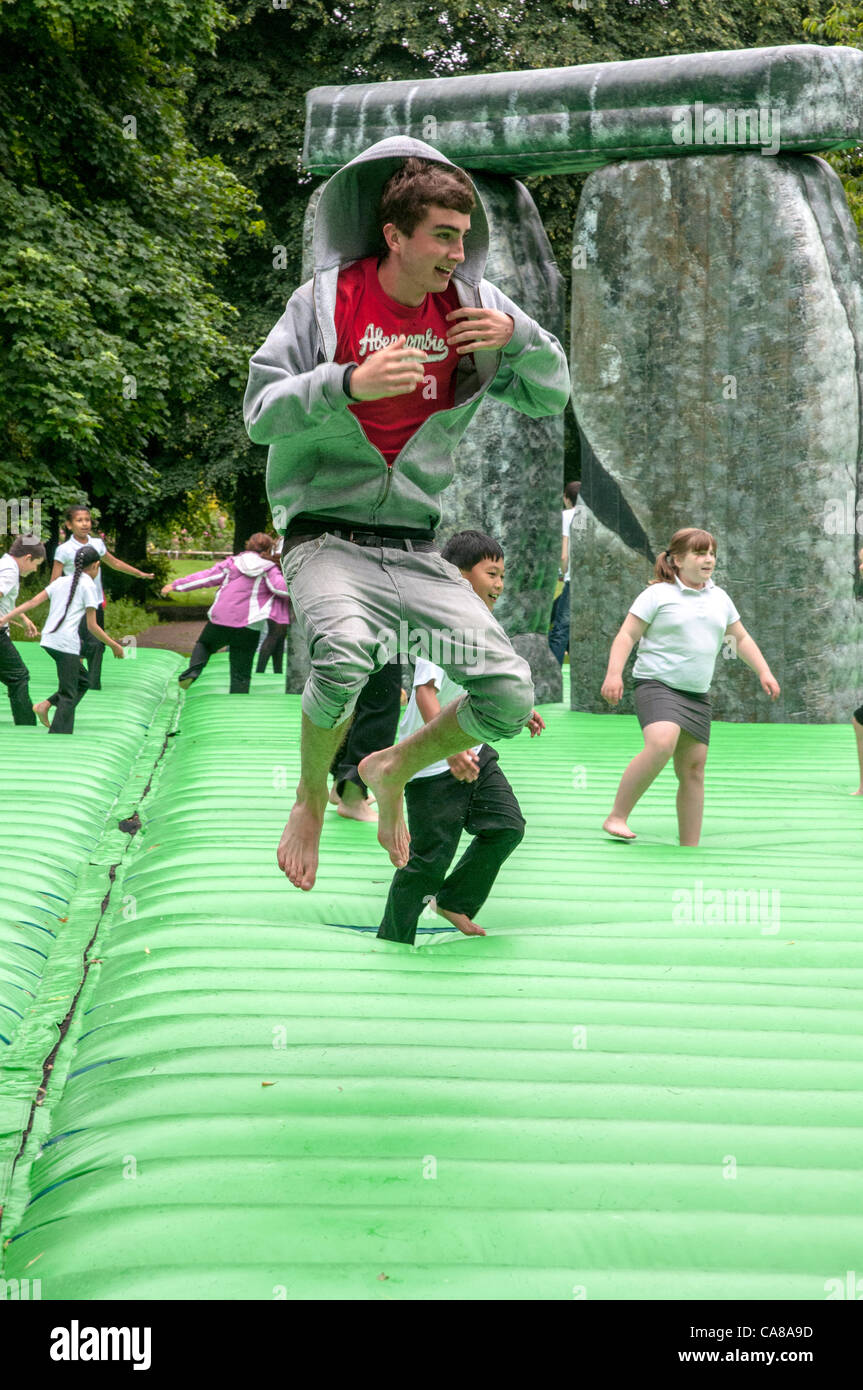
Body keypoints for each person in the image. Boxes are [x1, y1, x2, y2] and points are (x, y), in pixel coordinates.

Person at [244, 136, 570, 891]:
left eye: (465, 236)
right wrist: (345, 383)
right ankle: (310, 799)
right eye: (442, 236)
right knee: (344, 651)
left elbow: (551, 397)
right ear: (394, 235)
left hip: (418, 546)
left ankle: (389, 764)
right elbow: (261, 413)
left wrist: (520, 339)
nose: (457, 253)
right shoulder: (326, 302)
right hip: (324, 535)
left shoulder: (476, 308)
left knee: (509, 692)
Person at [378, 530, 543, 944]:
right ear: (459, 575)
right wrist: (450, 752)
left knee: (506, 826)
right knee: (428, 862)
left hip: (475, 749)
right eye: (491, 573)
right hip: (432, 761)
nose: (500, 584)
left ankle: (454, 899)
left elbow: (491, 684)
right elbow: (425, 690)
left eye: (503, 575)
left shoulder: (485, 623)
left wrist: (522, 713)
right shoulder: (440, 622)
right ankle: (394, 938)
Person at [600, 527, 780, 846]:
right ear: (678, 559)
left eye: (711, 553)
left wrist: (764, 671)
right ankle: (617, 815)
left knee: (694, 769)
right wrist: (614, 674)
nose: (708, 559)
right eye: (699, 553)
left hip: (696, 695)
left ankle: (690, 845)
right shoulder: (657, 594)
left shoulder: (719, 597)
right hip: (656, 684)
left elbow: (740, 638)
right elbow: (627, 635)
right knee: (661, 741)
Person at [4, 545, 125, 732]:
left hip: (49, 640)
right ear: (96, 565)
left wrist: (5, 618)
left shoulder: (60, 582)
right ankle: (59, 733)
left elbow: (32, 602)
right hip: (65, 643)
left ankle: (44, 705)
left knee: (83, 681)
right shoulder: (89, 586)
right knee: (69, 692)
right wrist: (114, 645)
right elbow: (93, 626)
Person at [161, 533, 291, 693]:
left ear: (248, 545)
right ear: (270, 548)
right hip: (250, 623)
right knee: (241, 670)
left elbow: (206, 577)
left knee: (205, 645)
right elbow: (280, 588)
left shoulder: (232, 563)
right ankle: (238, 697)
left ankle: (193, 672)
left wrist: (176, 585)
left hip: (222, 618)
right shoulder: (269, 568)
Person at [53, 506, 154, 691]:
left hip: (95, 602)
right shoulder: (64, 550)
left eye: (87, 520)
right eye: (79, 520)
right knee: (81, 644)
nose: (84, 524)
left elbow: (114, 563)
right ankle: (78, 678)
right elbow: (54, 581)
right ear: (68, 525)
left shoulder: (97, 544)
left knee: (96, 645)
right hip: (74, 605)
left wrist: (139, 573)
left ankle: (92, 683)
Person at [0, 536, 47, 724]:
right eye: (36, 564)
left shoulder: (4, 563)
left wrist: (23, 617)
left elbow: (5, 600)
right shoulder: (10, 571)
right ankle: (25, 723)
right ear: (28, 558)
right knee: (19, 676)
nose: (35, 570)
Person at [548, 480, 580, 667]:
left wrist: (563, 569)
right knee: (556, 615)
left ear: (566, 499)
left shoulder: (567, 515)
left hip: (572, 579)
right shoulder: (589, 517)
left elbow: (563, 552)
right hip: (587, 579)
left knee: (560, 627)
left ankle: (552, 673)